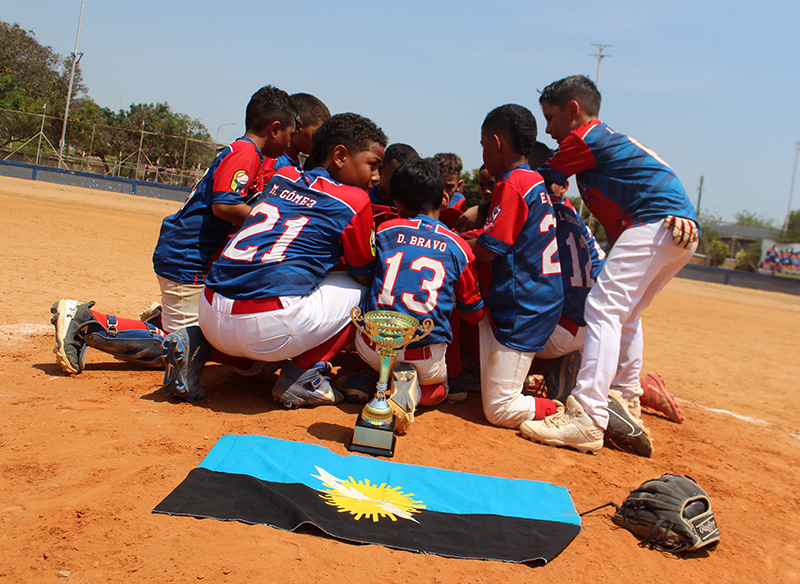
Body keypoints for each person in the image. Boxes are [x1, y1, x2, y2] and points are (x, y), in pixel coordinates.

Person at [51, 86, 298, 376]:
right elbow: (224, 205)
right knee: (178, 348)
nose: (290, 142)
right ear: (275, 128)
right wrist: (267, 221)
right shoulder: (247, 153)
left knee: (207, 345)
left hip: (191, 254)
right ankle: (86, 322)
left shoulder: (244, 152)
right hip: (187, 256)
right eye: (290, 135)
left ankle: (161, 318)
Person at [520, 75, 700, 455]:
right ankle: (626, 397)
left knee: (603, 308)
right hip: (672, 227)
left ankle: (585, 416)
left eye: (550, 118)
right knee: (627, 313)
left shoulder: (585, 137)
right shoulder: (602, 142)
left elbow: (533, 181)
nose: (549, 129)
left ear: (573, 110)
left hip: (657, 222)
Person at [164, 113, 387, 405]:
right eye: (373, 164)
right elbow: (363, 271)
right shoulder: (354, 200)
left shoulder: (284, 176)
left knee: (260, 336)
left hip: (208, 309)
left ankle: (199, 344)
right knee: (368, 289)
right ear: (341, 155)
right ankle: (303, 376)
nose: (376, 177)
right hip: (267, 323)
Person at [339, 157, 484, 432]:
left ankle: (365, 379)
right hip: (424, 357)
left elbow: (365, 272)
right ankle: (412, 393)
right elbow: (474, 314)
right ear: (444, 198)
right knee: (440, 388)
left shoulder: (385, 230)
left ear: (399, 205)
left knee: (375, 298)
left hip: (372, 347)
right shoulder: (460, 248)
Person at [466, 104, 564, 430]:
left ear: (496, 142)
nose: (482, 153)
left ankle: (570, 409)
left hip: (524, 308)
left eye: (483, 145)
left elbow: (490, 250)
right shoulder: (530, 179)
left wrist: (455, 242)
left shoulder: (513, 183)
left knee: (500, 410)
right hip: (532, 300)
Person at [274, 93, 331, 171]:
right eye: (317, 134)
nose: (321, 141)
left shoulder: (296, 165)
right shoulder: (275, 165)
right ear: (298, 127)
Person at [368, 143, 419, 222]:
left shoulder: (416, 207)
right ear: (380, 170)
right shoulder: (365, 199)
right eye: (394, 176)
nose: (400, 185)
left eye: (407, 179)